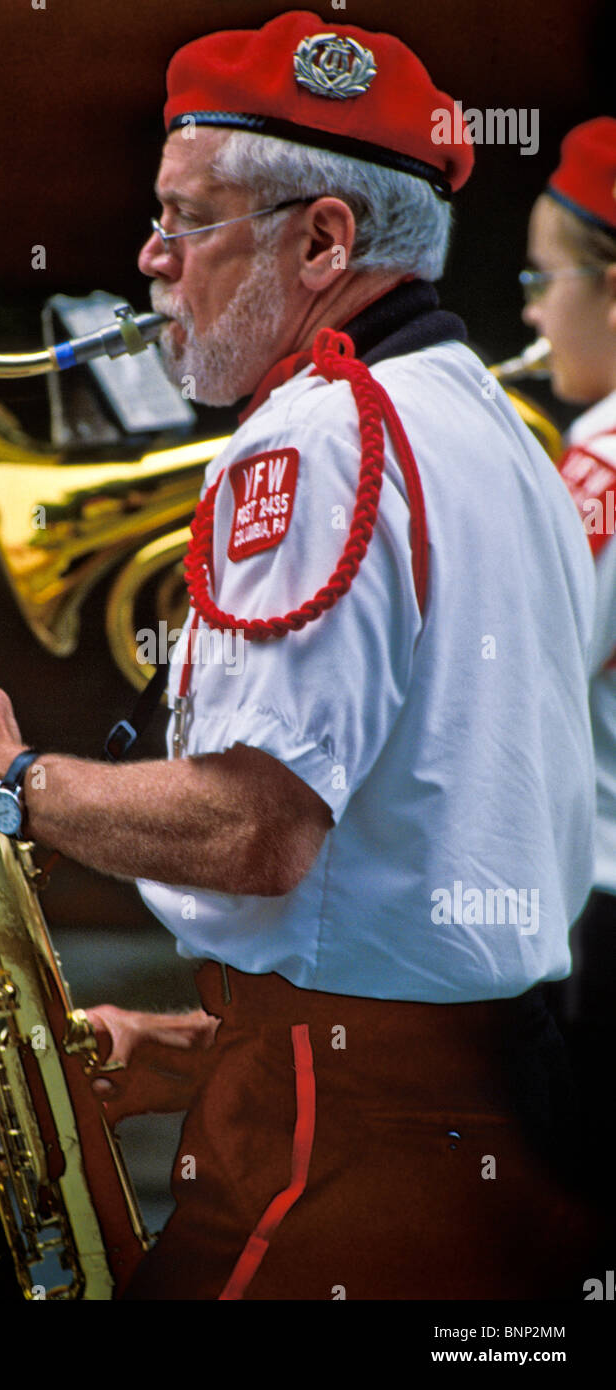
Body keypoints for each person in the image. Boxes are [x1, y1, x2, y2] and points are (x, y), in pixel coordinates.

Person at [0, 15, 600, 1299]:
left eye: (186, 219)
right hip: (478, 1102)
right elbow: (423, 874)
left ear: (321, 241)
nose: (149, 259)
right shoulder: (496, 427)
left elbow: (261, 830)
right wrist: (207, 1046)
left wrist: (3, 780)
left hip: (336, 1145)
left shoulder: (316, 441)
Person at [521, 116, 616, 1222]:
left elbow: (532, 680)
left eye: (541, 281)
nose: (532, 315)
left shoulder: (597, 461)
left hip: (596, 914)